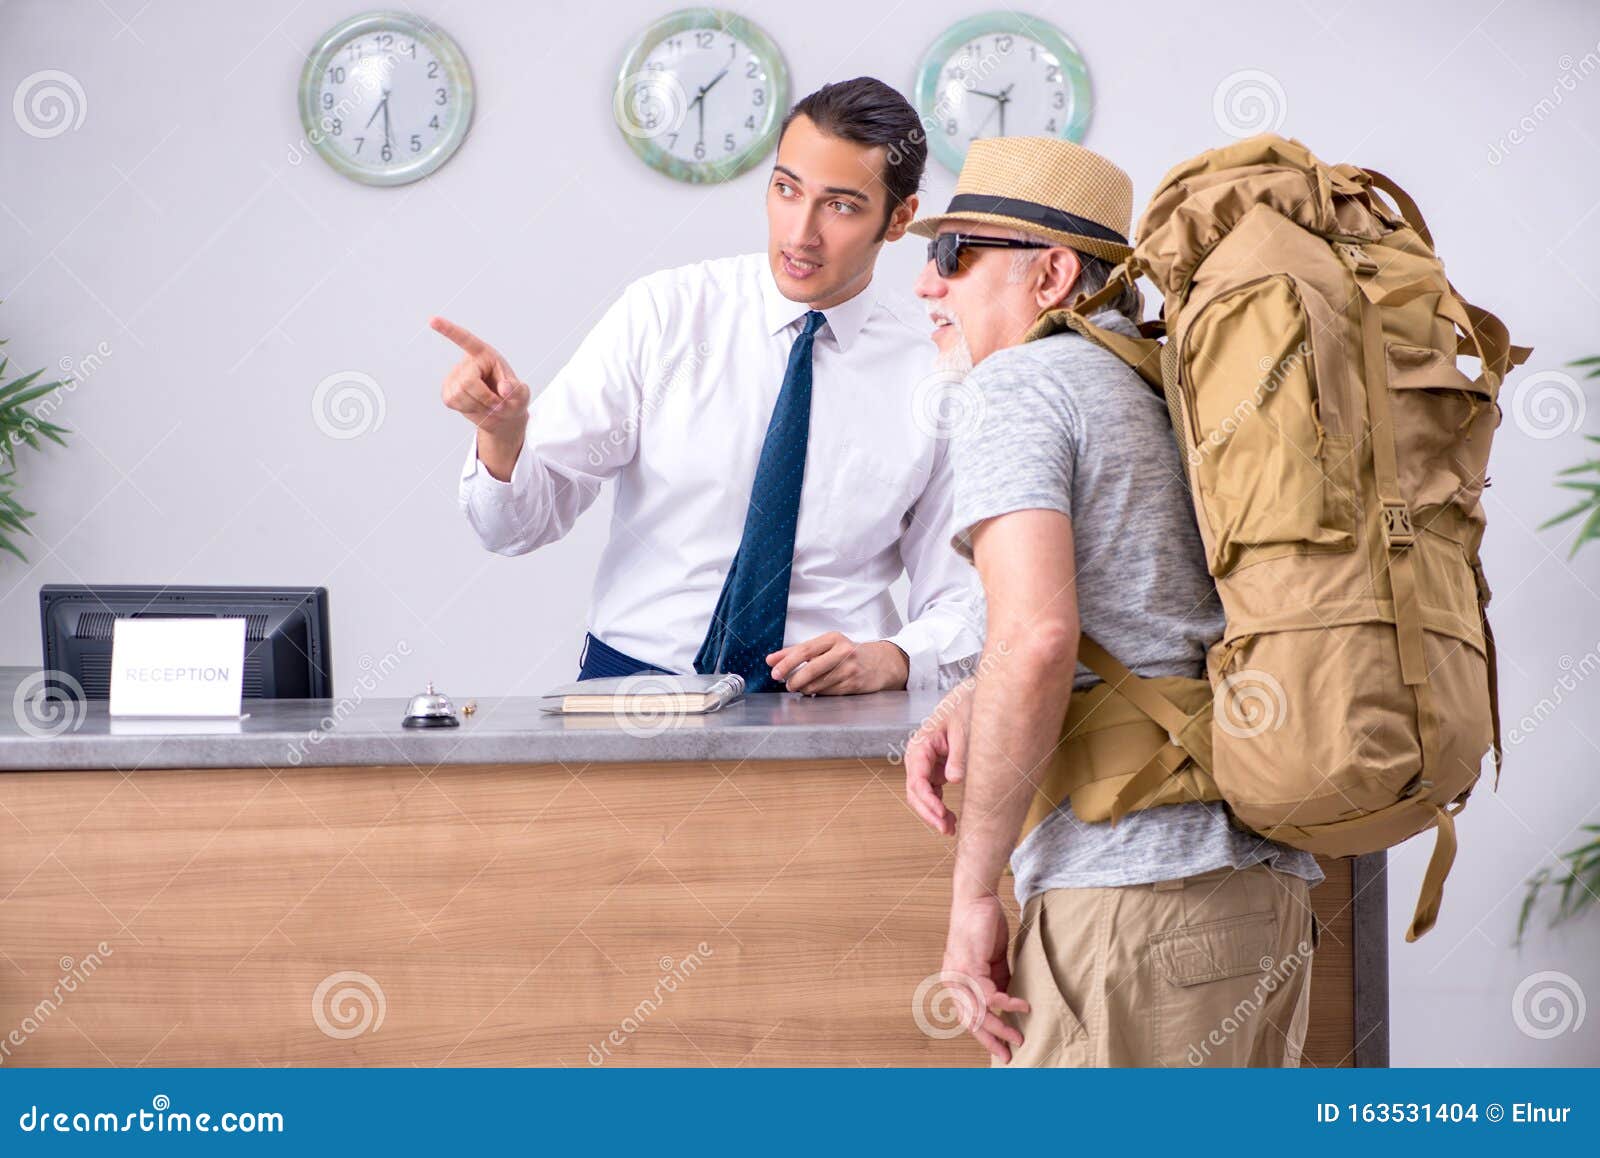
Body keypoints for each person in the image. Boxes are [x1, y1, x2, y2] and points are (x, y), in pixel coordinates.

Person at [902, 137, 1324, 1066]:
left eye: (952, 255)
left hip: (1131, 903)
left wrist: (975, 893)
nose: (930, 285)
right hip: (1264, 893)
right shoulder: (1176, 391)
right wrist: (978, 686)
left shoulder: (1017, 385)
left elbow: (1041, 636)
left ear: (1050, 274)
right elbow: (1152, 610)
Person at [435, 78, 981, 694]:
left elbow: (965, 603)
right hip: (632, 692)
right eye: (785, 189)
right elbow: (512, 530)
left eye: (841, 206)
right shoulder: (665, 315)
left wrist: (895, 658)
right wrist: (502, 437)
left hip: (831, 707)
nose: (800, 233)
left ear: (899, 218)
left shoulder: (936, 373)